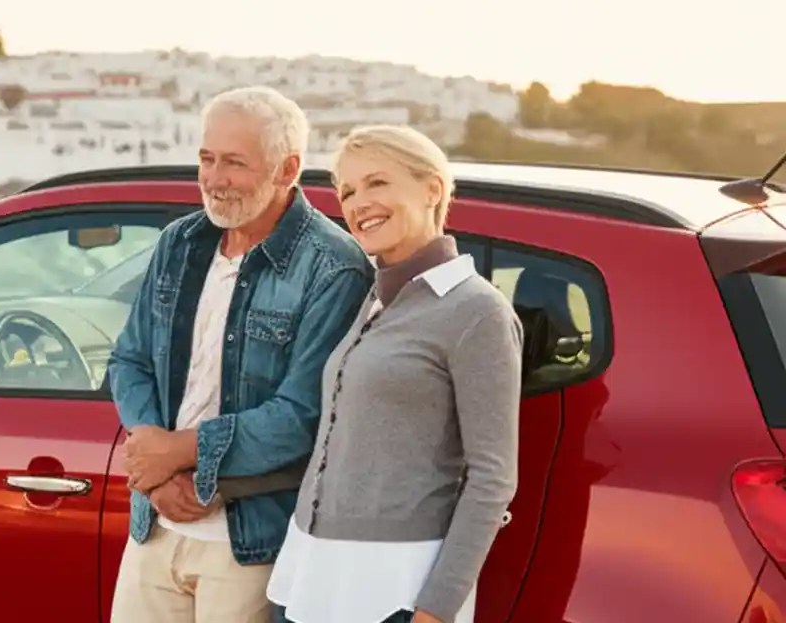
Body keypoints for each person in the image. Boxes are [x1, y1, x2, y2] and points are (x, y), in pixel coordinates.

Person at [106, 86, 372, 623]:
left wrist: (180, 454)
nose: (213, 177)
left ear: (287, 168)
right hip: (154, 526)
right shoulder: (178, 242)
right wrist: (156, 474)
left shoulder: (333, 268)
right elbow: (129, 361)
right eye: (206, 159)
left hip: (248, 544)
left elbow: (303, 415)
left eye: (234, 163)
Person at [266, 125, 524, 623]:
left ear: (433, 190)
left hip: (390, 592)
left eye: (377, 183)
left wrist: (436, 609)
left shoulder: (478, 312)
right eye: (347, 191)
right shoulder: (375, 300)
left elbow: (492, 479)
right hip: (308, 575)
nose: (358, 202)